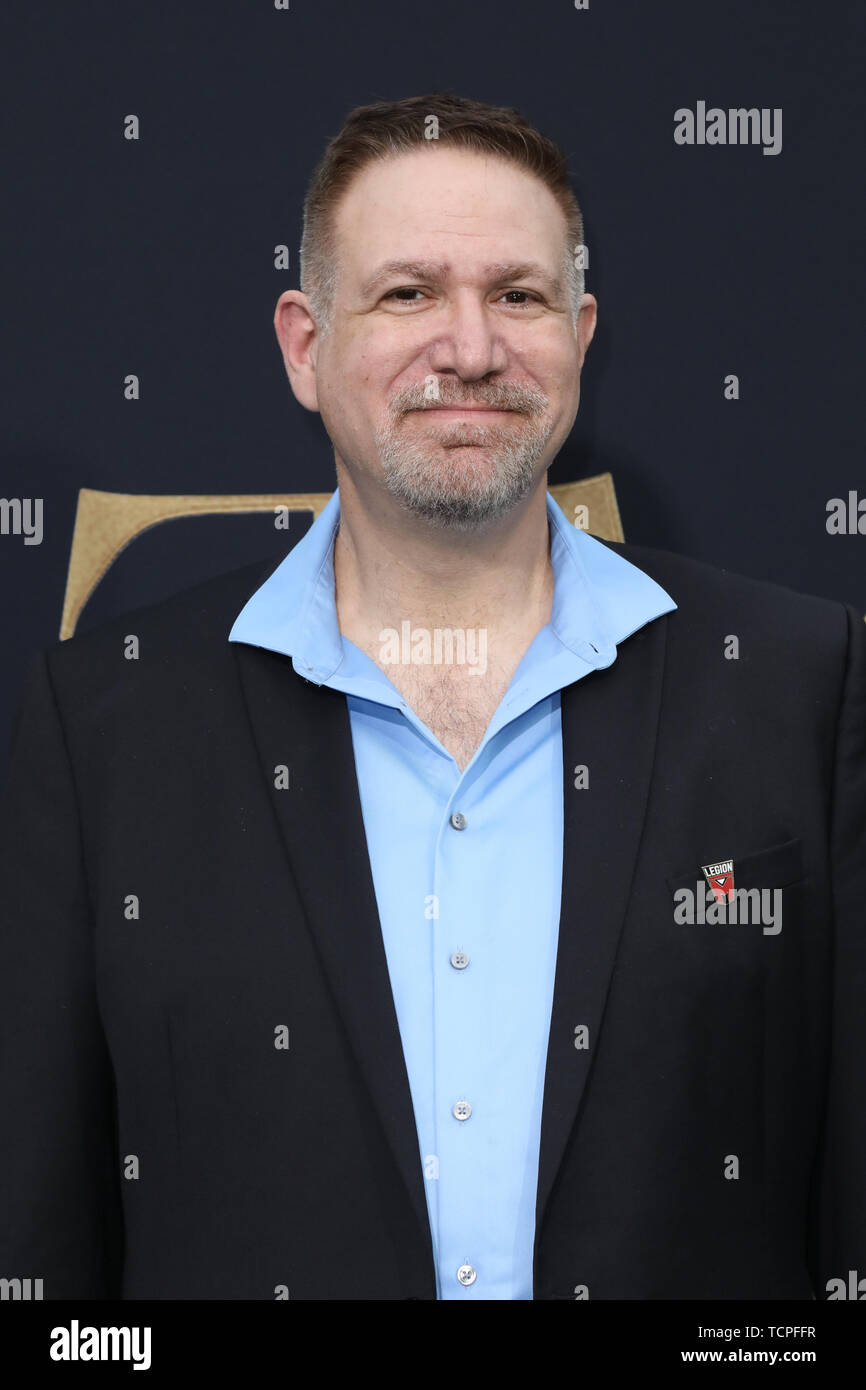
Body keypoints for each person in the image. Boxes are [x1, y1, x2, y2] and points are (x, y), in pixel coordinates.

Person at [0, 92, 864, 1301]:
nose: (469, 347)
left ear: (581, 332)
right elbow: (45, 1244)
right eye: (407, 293)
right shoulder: (106, 723)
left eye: (518, 296)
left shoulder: (795, 682)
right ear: (304, 346)